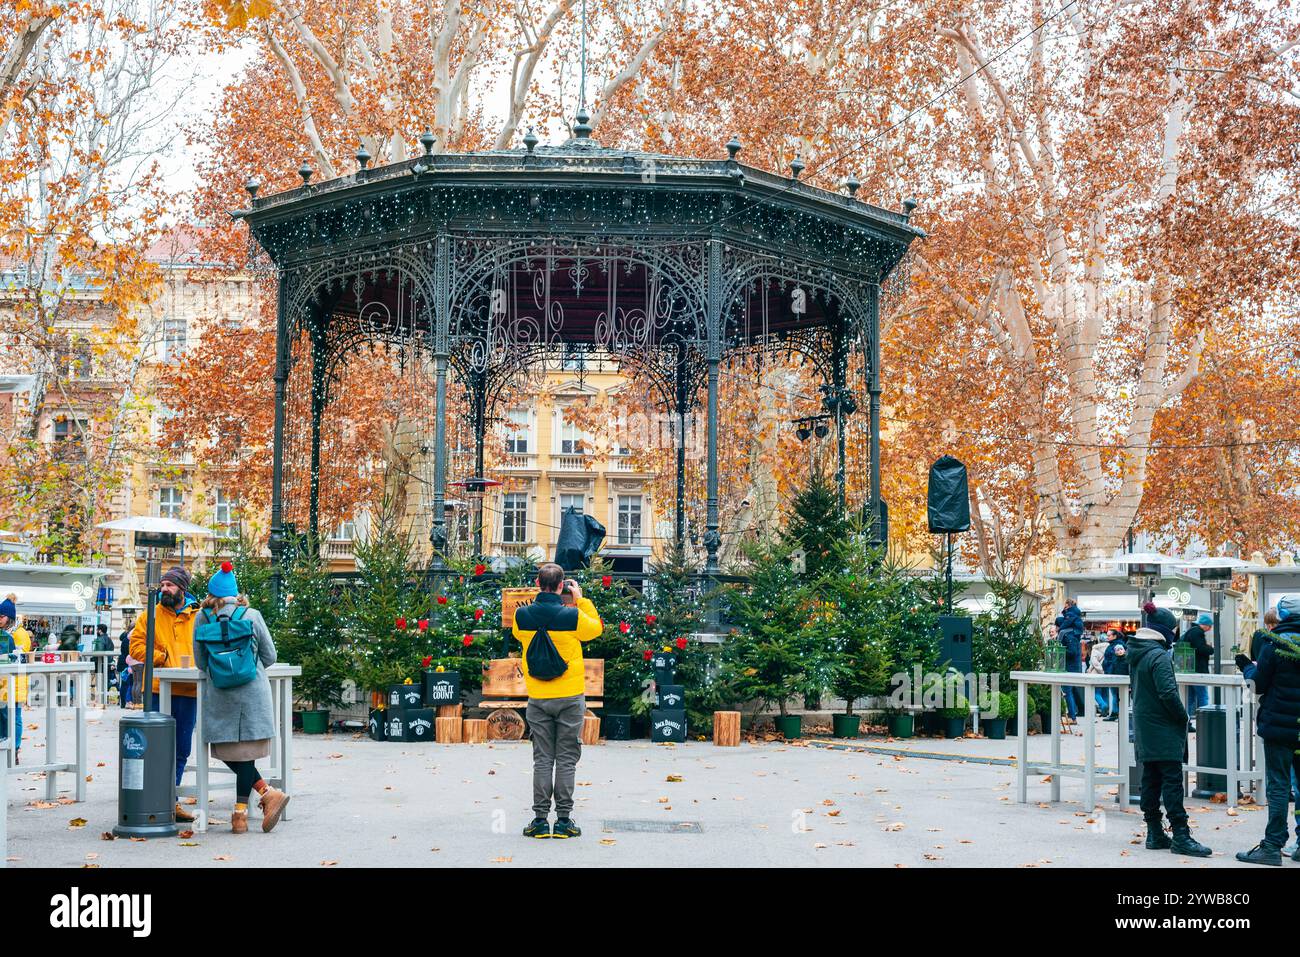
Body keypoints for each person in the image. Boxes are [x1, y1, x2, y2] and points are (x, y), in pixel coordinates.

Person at [195, 562, 290, 834]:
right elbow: (270, 656)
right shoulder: (252, 615)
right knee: (247, 752)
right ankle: (257, 801)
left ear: (211, 594)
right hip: (252, 693)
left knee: (228, 751)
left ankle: (244, 813)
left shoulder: (203, 618)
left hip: (220, 695)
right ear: (235, 593)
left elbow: (202, 663)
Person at [512, 562, 603, 839]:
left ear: (538, 585)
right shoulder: (572, 617)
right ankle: (564, 821)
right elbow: (596, 629)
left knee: (542, 759)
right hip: (570, 696)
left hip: (538, 697)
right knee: (566, 759)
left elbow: (518, 635)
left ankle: (539, 821)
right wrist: (581, 600)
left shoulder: (521, 616)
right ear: (562, 586)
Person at [1131, 602, 1211, 857]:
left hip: (1146, 724)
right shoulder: (1159, 656)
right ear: (1166, 631)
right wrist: (1183, 716)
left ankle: (1154, 831)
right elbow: (1167, 693)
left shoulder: (1139, 652)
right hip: (1163, 726)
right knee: (1172, 781)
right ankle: (1181, 835)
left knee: (1151, 778)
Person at [129, 566, 200, 823]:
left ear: (182, 588)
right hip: (159, 689)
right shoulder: (151, 614)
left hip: (190, 690)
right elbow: (135, 645)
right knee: (155, 747)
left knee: (181, 748)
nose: (164, 589)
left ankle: (170, 800)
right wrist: (162, 658)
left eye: (170, 585)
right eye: (163, 585)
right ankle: (153, 798)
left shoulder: (198, 614)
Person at [1233, 597, 1300, 865]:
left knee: (1279, 784)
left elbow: (1257, 685)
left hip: (1279, 728)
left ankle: (1272, 846)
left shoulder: (1273, 644)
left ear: (1282, 616)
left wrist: (1245, 665)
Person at [0, 594, 31, 764]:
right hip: (4, 682)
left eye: (2, 616)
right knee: (5, 716)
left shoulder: (19, 634)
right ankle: (6, 747)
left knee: (15, 717)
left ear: (10, 617)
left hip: (16, 682)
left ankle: (15, 749)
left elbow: (20, 657)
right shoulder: (4, 633)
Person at [1179, 611, 1213, 727]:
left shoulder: (1191, 631)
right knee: (1203, 696)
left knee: (1190, 698)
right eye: (1210, 625)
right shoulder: (1198, 632)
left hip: (1188, 669)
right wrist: (1210, 649)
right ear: (1205, 625)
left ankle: (1186, 723)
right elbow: (1200, 648)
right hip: (1197, 670)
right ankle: (1205, 722)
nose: (1210, 628)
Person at [1058, 603, 1085, 722]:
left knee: (1067, 691)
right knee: (1068, 691)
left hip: (1069, 667)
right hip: (1070, 666)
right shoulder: (1072, 633)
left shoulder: (1069, 635)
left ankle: (1072, 717)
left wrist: (1060, 651)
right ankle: (1072, 715)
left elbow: (1072, 652)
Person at [1101, 628, 1127, 720]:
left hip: (1114, 673)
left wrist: (1109, 670)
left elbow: (1115, 660)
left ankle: (1115, 713)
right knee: (1116, 694)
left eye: (1109, 635)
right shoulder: (1114, 644)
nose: (1107, 637)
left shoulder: (1117, 645)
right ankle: (1116, 713)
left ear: (1114, 636)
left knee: (1115, 694)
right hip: (1113, 673)